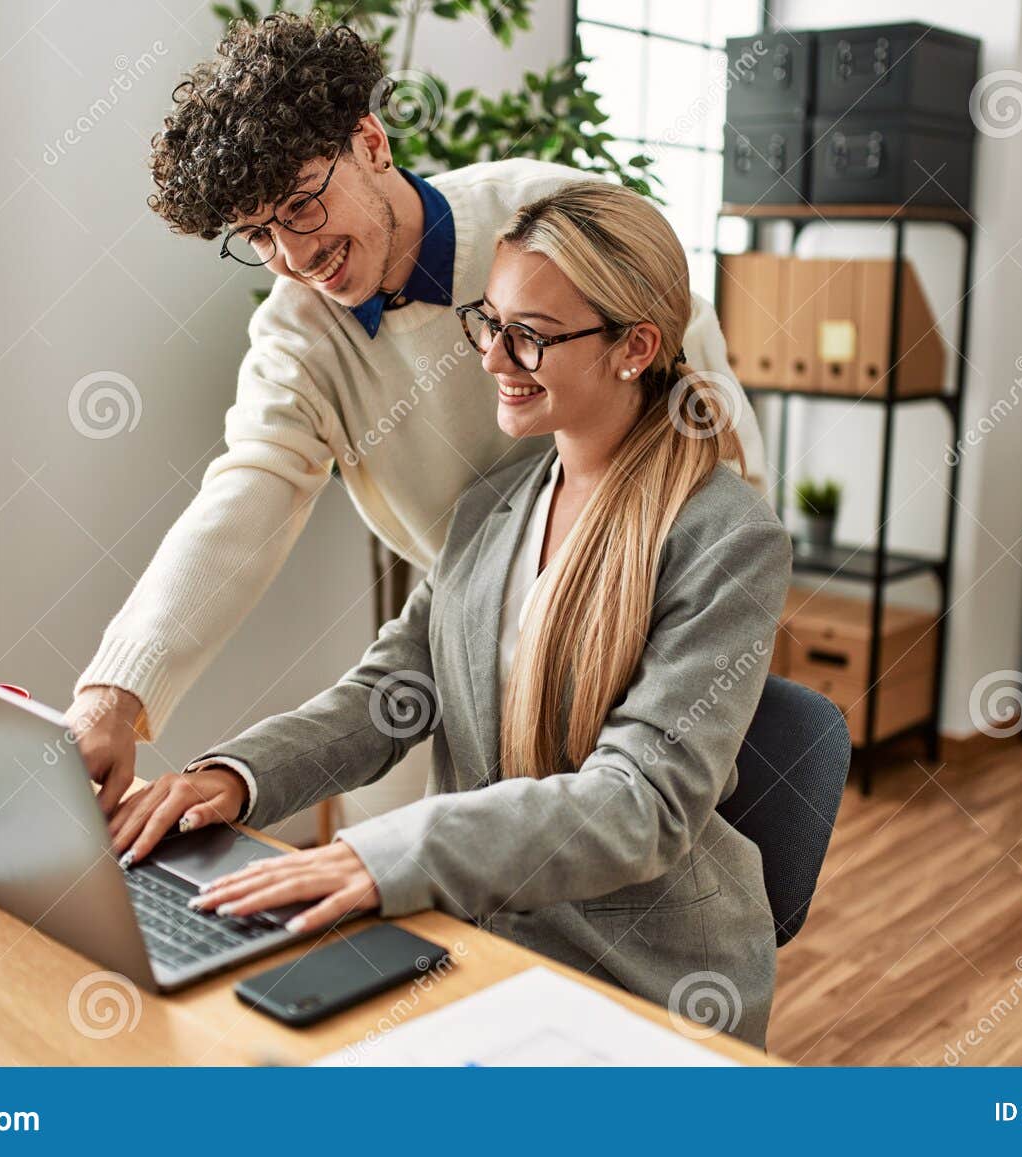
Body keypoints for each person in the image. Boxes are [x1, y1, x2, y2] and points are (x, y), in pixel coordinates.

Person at [108, 181, 791, 1047]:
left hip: (639, 975)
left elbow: (638, 803)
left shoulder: (726, 538)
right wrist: (234, 778)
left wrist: (395, 851)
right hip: (472, 937)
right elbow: (389, 693)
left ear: (635, 347)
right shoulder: (495, 504)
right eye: (489, 323)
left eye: (530, 335)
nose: (494, 359)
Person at [67, 12, 766, 807]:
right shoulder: (299, 334)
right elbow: (249, 491)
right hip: (479, 632)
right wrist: (115, 693)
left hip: (642, 620)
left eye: (300, 205)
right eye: (257, 236)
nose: (293, 258)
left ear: (372, 142)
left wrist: (723, 608)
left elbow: (707, 421)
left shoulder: (548, 221)